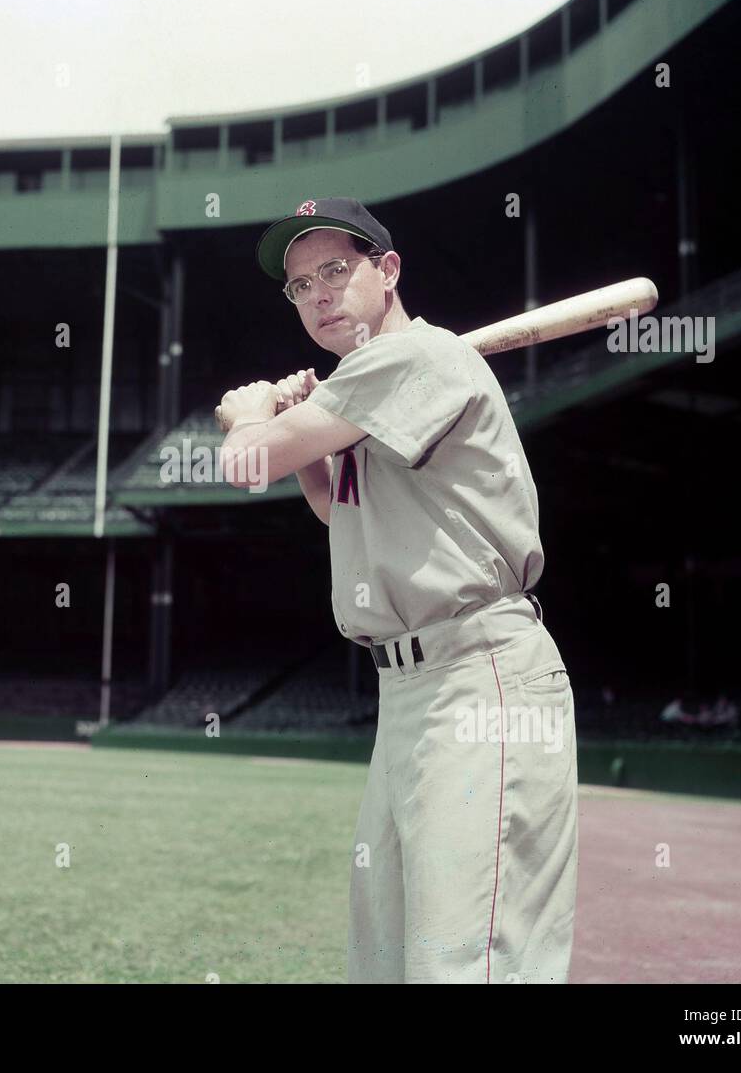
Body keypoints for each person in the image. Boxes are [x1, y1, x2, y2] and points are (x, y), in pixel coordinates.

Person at [216, 198, 579, 984]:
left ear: (387, 272)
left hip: (478, 671)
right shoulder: (371, 388)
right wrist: (306, 426)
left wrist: (249, 418)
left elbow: (245, 465)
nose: (317, 294)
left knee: (465, 961)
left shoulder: (414, 358)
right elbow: (335, 507)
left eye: (336, 272)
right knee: (387, 958)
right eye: (300, 284)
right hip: (408, 692)